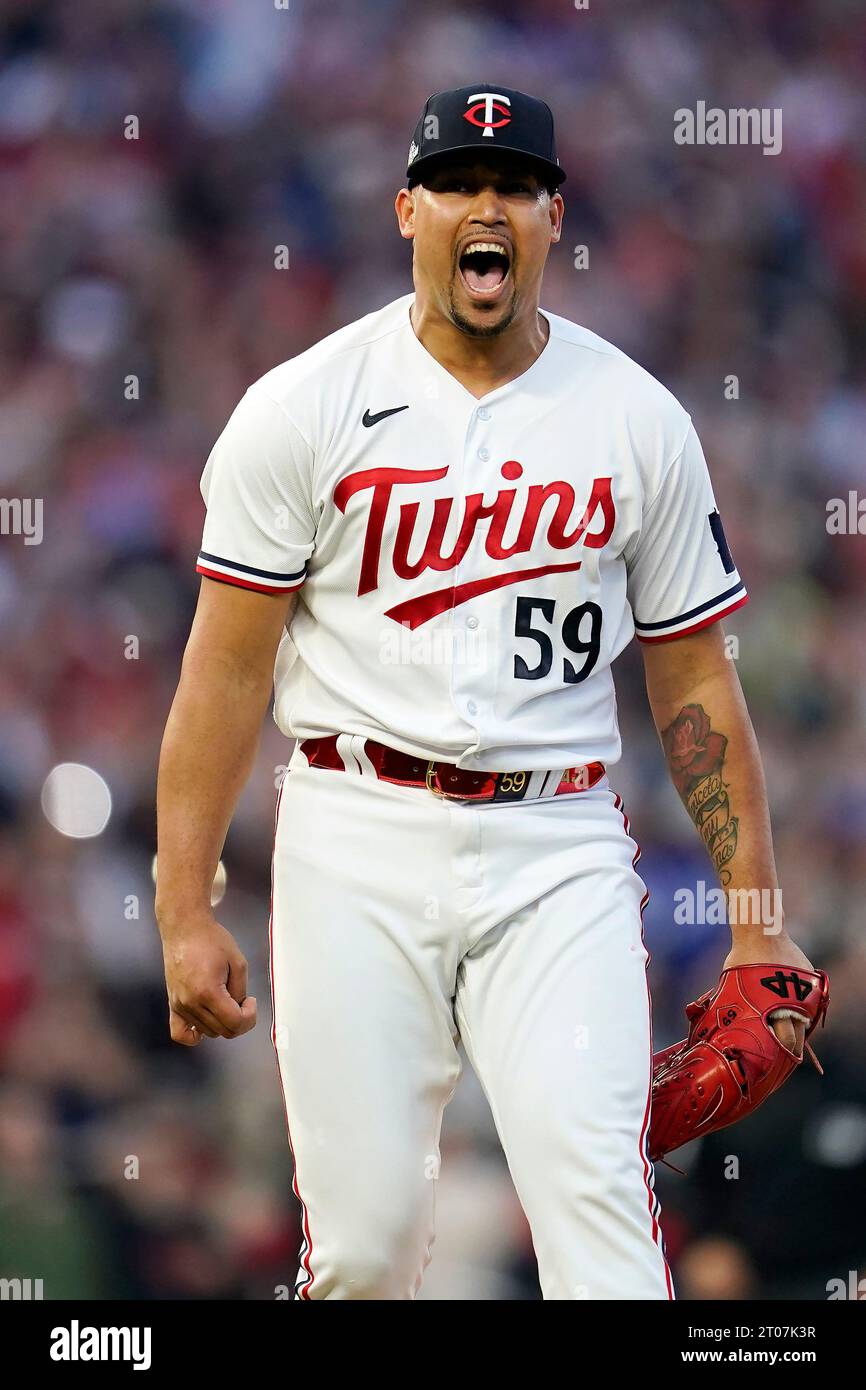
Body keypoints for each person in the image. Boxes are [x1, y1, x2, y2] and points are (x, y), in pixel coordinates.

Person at [155, 84, 814, 1300]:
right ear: (407, 208)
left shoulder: (634, 417)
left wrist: (753, 914)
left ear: (553, 216)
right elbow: (225, 669)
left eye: (513, 185)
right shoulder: (302, 405)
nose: (486, 206)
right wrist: (184, 900)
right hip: (354, 833)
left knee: (599, 1216)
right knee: (360, 1248)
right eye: (457, 182)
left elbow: (691, 682)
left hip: (553, 841)